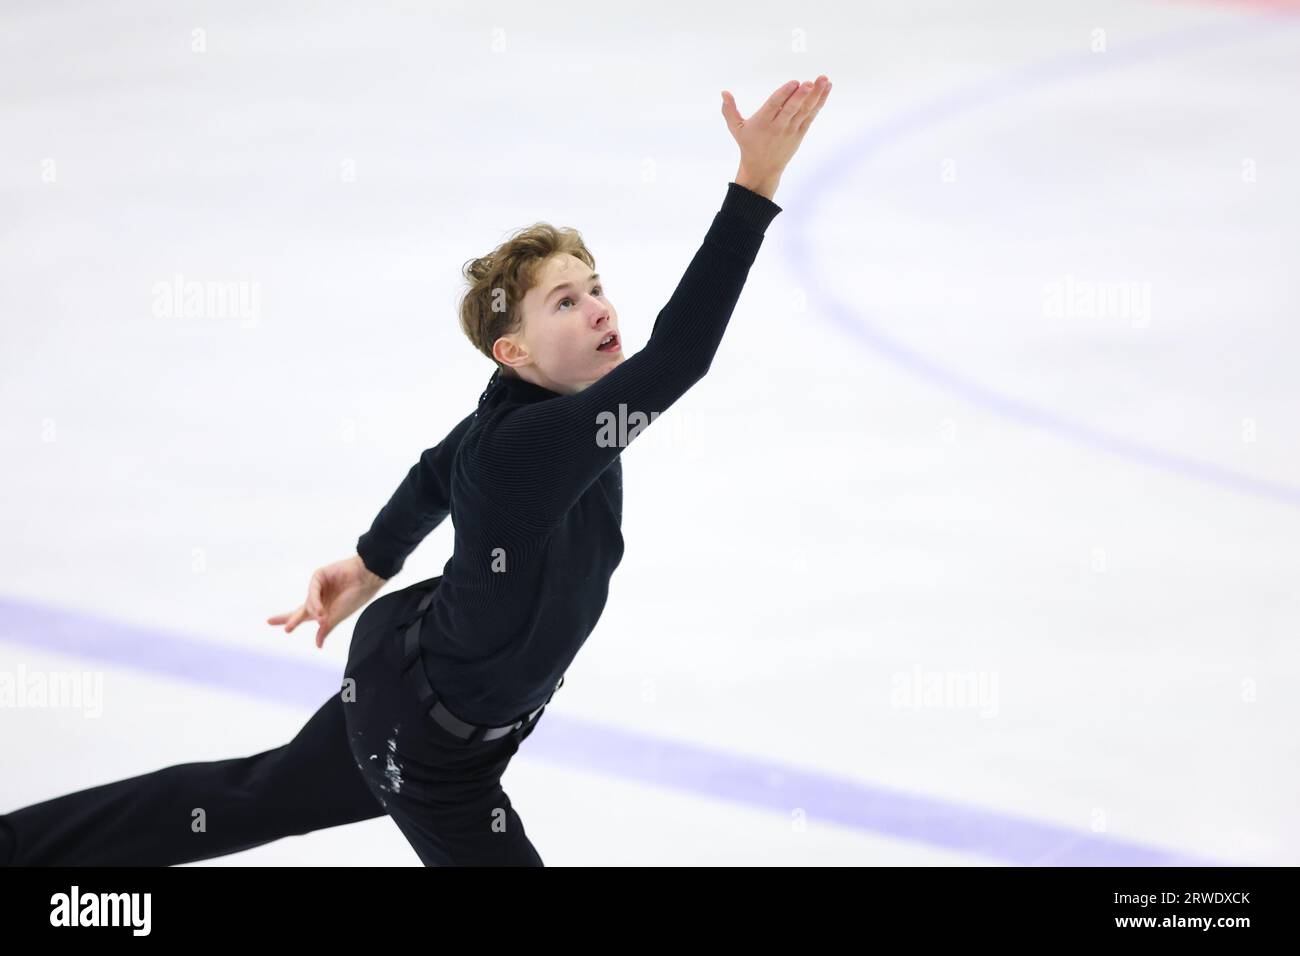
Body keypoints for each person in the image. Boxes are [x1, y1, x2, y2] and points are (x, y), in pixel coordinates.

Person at [0, 75, 832, 866]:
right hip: (432, 747)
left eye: (594, 287)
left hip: (410, 672)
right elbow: (679, 358)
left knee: (252, 796)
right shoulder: (533, 443)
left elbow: (439, 471)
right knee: (256, 797)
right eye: (565, 302)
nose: (599, 308)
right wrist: (753, 186)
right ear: (513, 352)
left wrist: (371, 561)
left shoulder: (533, 415)